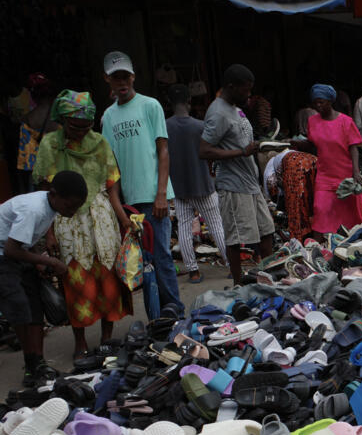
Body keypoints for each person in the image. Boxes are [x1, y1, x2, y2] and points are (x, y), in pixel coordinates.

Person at [33, 90, 131, 359]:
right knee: (76, 282)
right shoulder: (50, 144)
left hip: (101, 219)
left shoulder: (99, 143)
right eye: (76, 126)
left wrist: (123, 221)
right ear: (63, 120)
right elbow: (45, 192)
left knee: (108, 279)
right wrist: (49, 232)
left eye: (87, 126)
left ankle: (107, 337)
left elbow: (111, 187)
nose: (81, 131)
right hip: (67, 220)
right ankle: (80, 341)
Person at [100, 50, 181, 317]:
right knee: (142, 261)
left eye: (125, 76)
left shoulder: (150, 105)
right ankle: (155, 317)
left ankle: (174, 312)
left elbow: (163, 151)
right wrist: (119, 208)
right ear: (108, 81)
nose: (121, 82)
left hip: (153, 195)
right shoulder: (108, 117)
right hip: (129, 202)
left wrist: (161, 193)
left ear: (133, 77)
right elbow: (111, 166)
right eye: (115, 78)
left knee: (162, 257)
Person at [0, 171, 86, 385]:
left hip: (14, 252)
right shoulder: (35, 209)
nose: (72, 212)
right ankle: (31, 367)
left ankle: (38, 362)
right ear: (54, 194)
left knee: (35, 303)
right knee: (19, 306)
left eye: (76, 207)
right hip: (3, 254)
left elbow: (23, 243)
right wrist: (49, 262)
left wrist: (37, 262)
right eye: (70, 206)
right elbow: (11, 249)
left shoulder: (52, 207)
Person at [200, 64, 274, 285]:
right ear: (231, 87)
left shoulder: (235, 108)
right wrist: (241, 152)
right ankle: (238, 283)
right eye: (245, 90)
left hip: (250, 183)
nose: (248, 94)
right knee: (237, 239)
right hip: (233, 185)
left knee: (267, 230)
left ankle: (269, 276)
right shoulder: (217, 112)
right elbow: (203, 150)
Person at [166, 84, 227, 284]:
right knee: (216, 224)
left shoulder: (165, 127)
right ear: (189, 102)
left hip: (180, 188)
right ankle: (230, 264)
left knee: (183, 228)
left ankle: (193, 271)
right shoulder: (200, 126)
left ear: (170, 104)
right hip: (202, 185)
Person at [289, 84, 362, 238]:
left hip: (345, 174)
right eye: (315, 102)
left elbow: (354, 148)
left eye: (321, 102)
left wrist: (356, 172)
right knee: (320, 208)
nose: (318, 106)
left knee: (351, 213)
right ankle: (317, 244)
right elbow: (312, 143)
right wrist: (296, 143)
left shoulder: (345, 121)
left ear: (330, 102)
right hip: (325, 174)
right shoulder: (313, 121)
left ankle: (352, 240)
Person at [265, 149, 317, 241]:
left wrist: (275, 200)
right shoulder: (290, 154)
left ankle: (299, 241)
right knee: (311, 204)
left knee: (295, 210)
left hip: (295, 166)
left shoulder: (270, 164)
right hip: (313, 160)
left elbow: (271, 182)